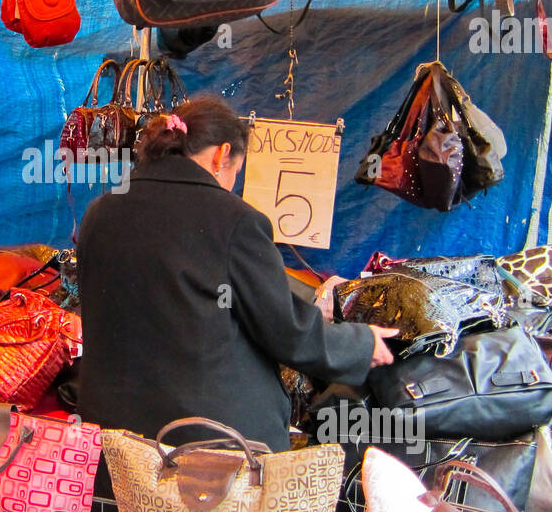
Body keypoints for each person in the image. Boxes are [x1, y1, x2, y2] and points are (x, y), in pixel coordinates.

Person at [75, 96, 397, 455]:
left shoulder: (100, 213)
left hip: (114, 441)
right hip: (208, 449)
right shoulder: (234, 221)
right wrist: (361, 344)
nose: (231, 183)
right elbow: (286, 330)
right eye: (235, 171)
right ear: (220, 154)